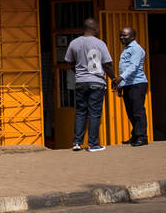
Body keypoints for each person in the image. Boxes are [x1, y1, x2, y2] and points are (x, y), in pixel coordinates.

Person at [64, 18, 115, 152]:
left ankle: (77, 143)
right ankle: (93, 144)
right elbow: (107, 64)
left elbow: (69, 62)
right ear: (95, 29)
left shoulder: (74, 43)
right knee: (94, 113)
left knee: (81, 112)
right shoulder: (100, 43)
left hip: (80, 82)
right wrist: (114, 79)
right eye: (97, 28)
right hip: (96, 82)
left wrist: (79, 73)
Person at [114, 27, 150, 147]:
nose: (122, 38)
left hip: (137, 83)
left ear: (133, 37)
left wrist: (120, 78)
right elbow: (124, 67)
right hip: (128, 84)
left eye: (125, 35)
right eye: (121, 35)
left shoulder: (136, 49)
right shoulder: (126, 49)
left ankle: (142, 137)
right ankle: (135, 135)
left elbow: (133, 67)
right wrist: (121, 85)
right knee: (130, 111)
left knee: (137, 111)